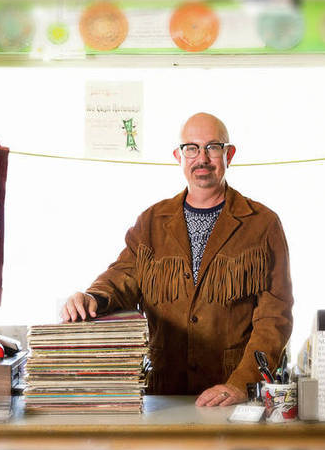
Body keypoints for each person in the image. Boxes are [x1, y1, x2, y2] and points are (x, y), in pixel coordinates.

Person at [61, 112, 293, 407]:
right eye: (191, 148)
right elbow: (122, 277)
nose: (202, 158)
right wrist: (91, 297)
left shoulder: (262, 224)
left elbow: (275, 316)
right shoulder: (151, 222)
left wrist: (242, 384)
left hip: (231, 398)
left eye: (212, 147)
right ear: (178, 156)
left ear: (229, 154)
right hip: (164, 395)